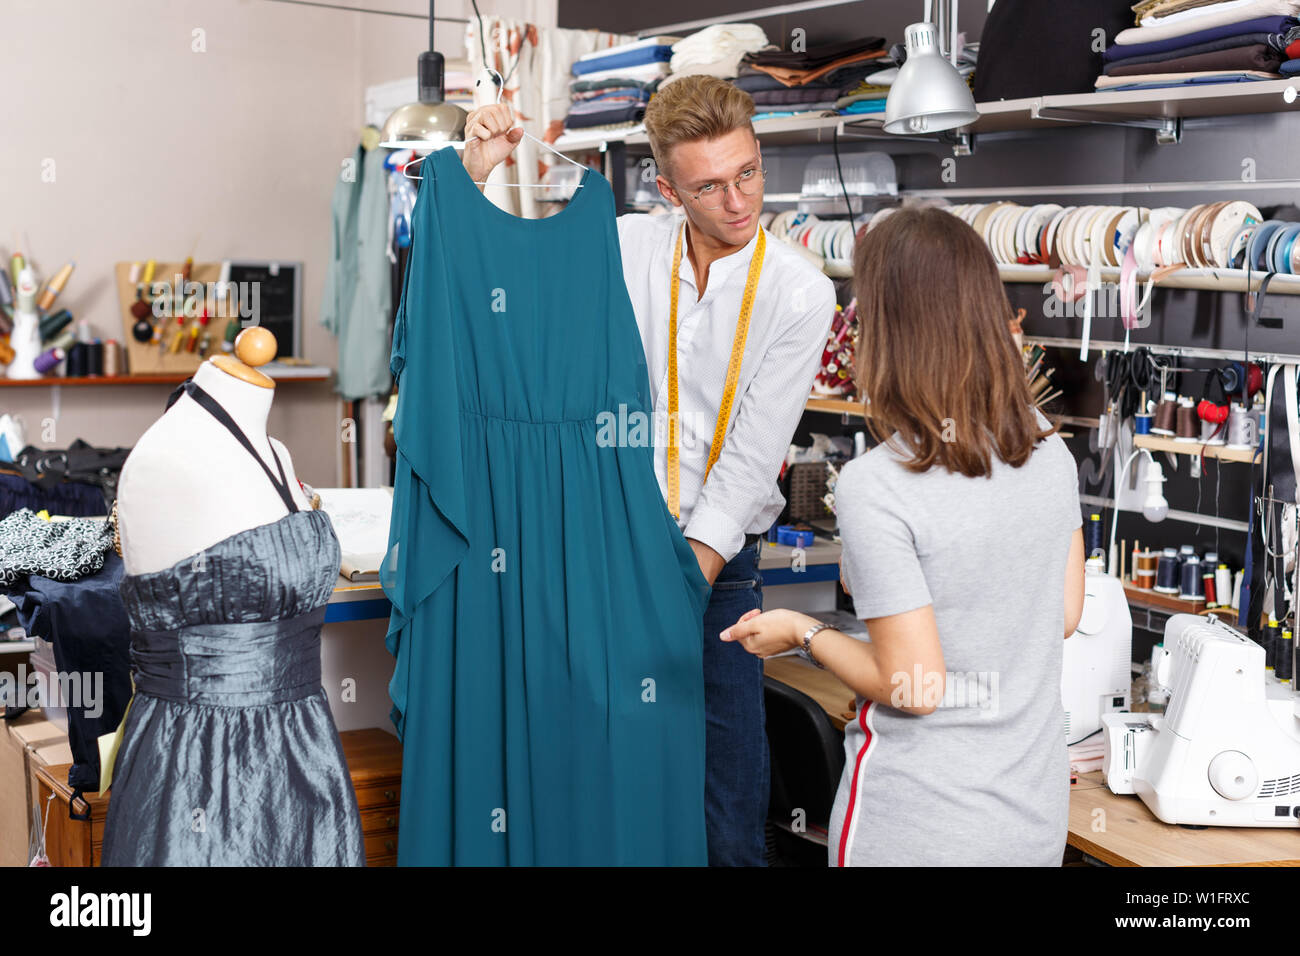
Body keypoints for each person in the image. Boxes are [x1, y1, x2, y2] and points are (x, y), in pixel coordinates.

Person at [462, 74, 836, 866]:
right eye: (710, 186)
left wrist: (679, 579)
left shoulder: (801, 292)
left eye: (750, 173)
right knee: (598, 773)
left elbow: (749, 455)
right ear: (668, 189)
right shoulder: (625, 244)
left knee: (726, 807)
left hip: (715, 562)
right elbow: (495, 285)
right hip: (602, 547)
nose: (739, 202)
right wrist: (479, 169)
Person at [721, 206, 1086, 866]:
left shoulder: (878, 485)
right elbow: (1062, 614)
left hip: (919, 826)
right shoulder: (1047, 446)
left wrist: (803, 634)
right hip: (1030, 822)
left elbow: (914, 687)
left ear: (884, 331)